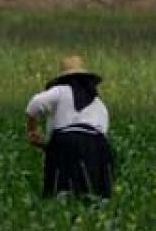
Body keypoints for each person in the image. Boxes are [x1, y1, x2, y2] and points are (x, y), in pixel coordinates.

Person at [25, 56, 113, 199]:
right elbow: (98, 133)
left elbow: (35, 104)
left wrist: (31, 130)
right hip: (97, 147)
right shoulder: (99, 103)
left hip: (66, 143)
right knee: (91, 194)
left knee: (60, 192)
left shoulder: (61, 90)